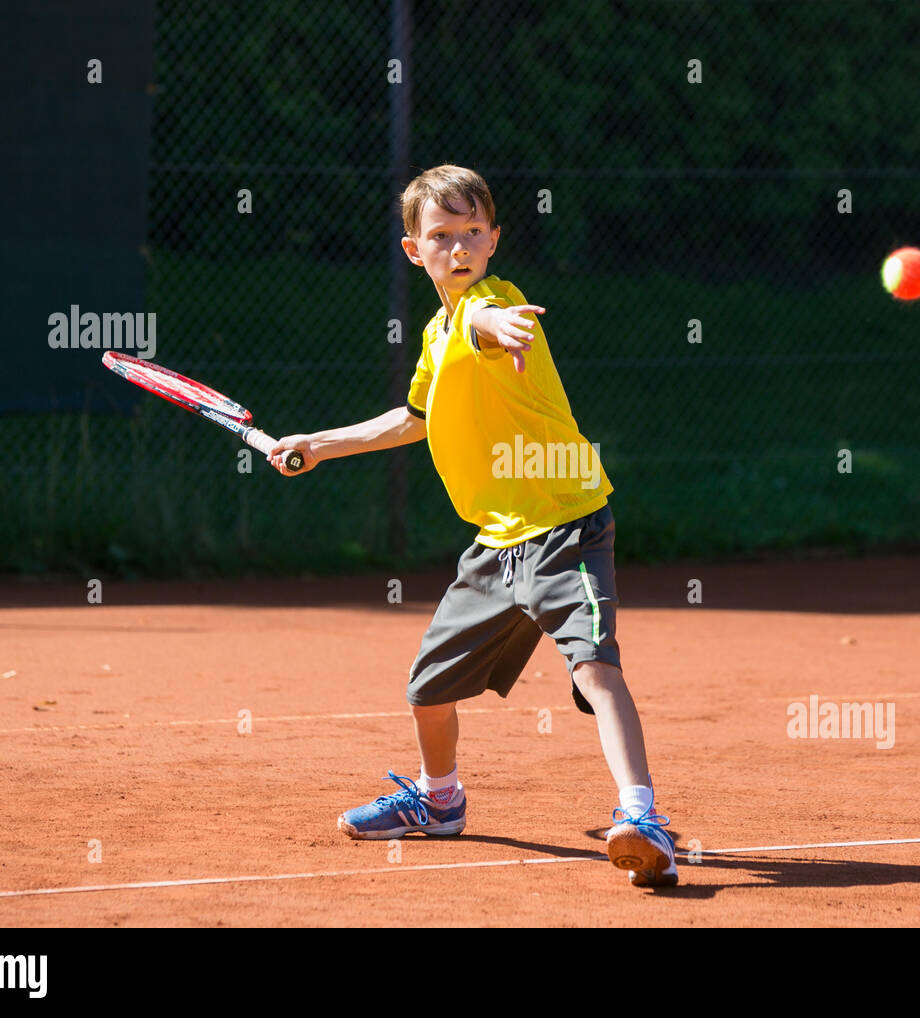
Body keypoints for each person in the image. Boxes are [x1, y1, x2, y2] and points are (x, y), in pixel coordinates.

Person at [268, 165, 676, 887]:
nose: (458, 249)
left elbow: (488, 321)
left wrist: (499, 324)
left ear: (493, 241)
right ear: (411, 249)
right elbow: (413, 419)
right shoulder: (435, 333)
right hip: (494, 545)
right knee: (427, 690)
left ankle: (641, 817)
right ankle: (438, 799)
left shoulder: (495, 300)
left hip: (565, 528)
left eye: (473, 233)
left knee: (596, 667)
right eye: (441, 236)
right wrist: (319, 444)